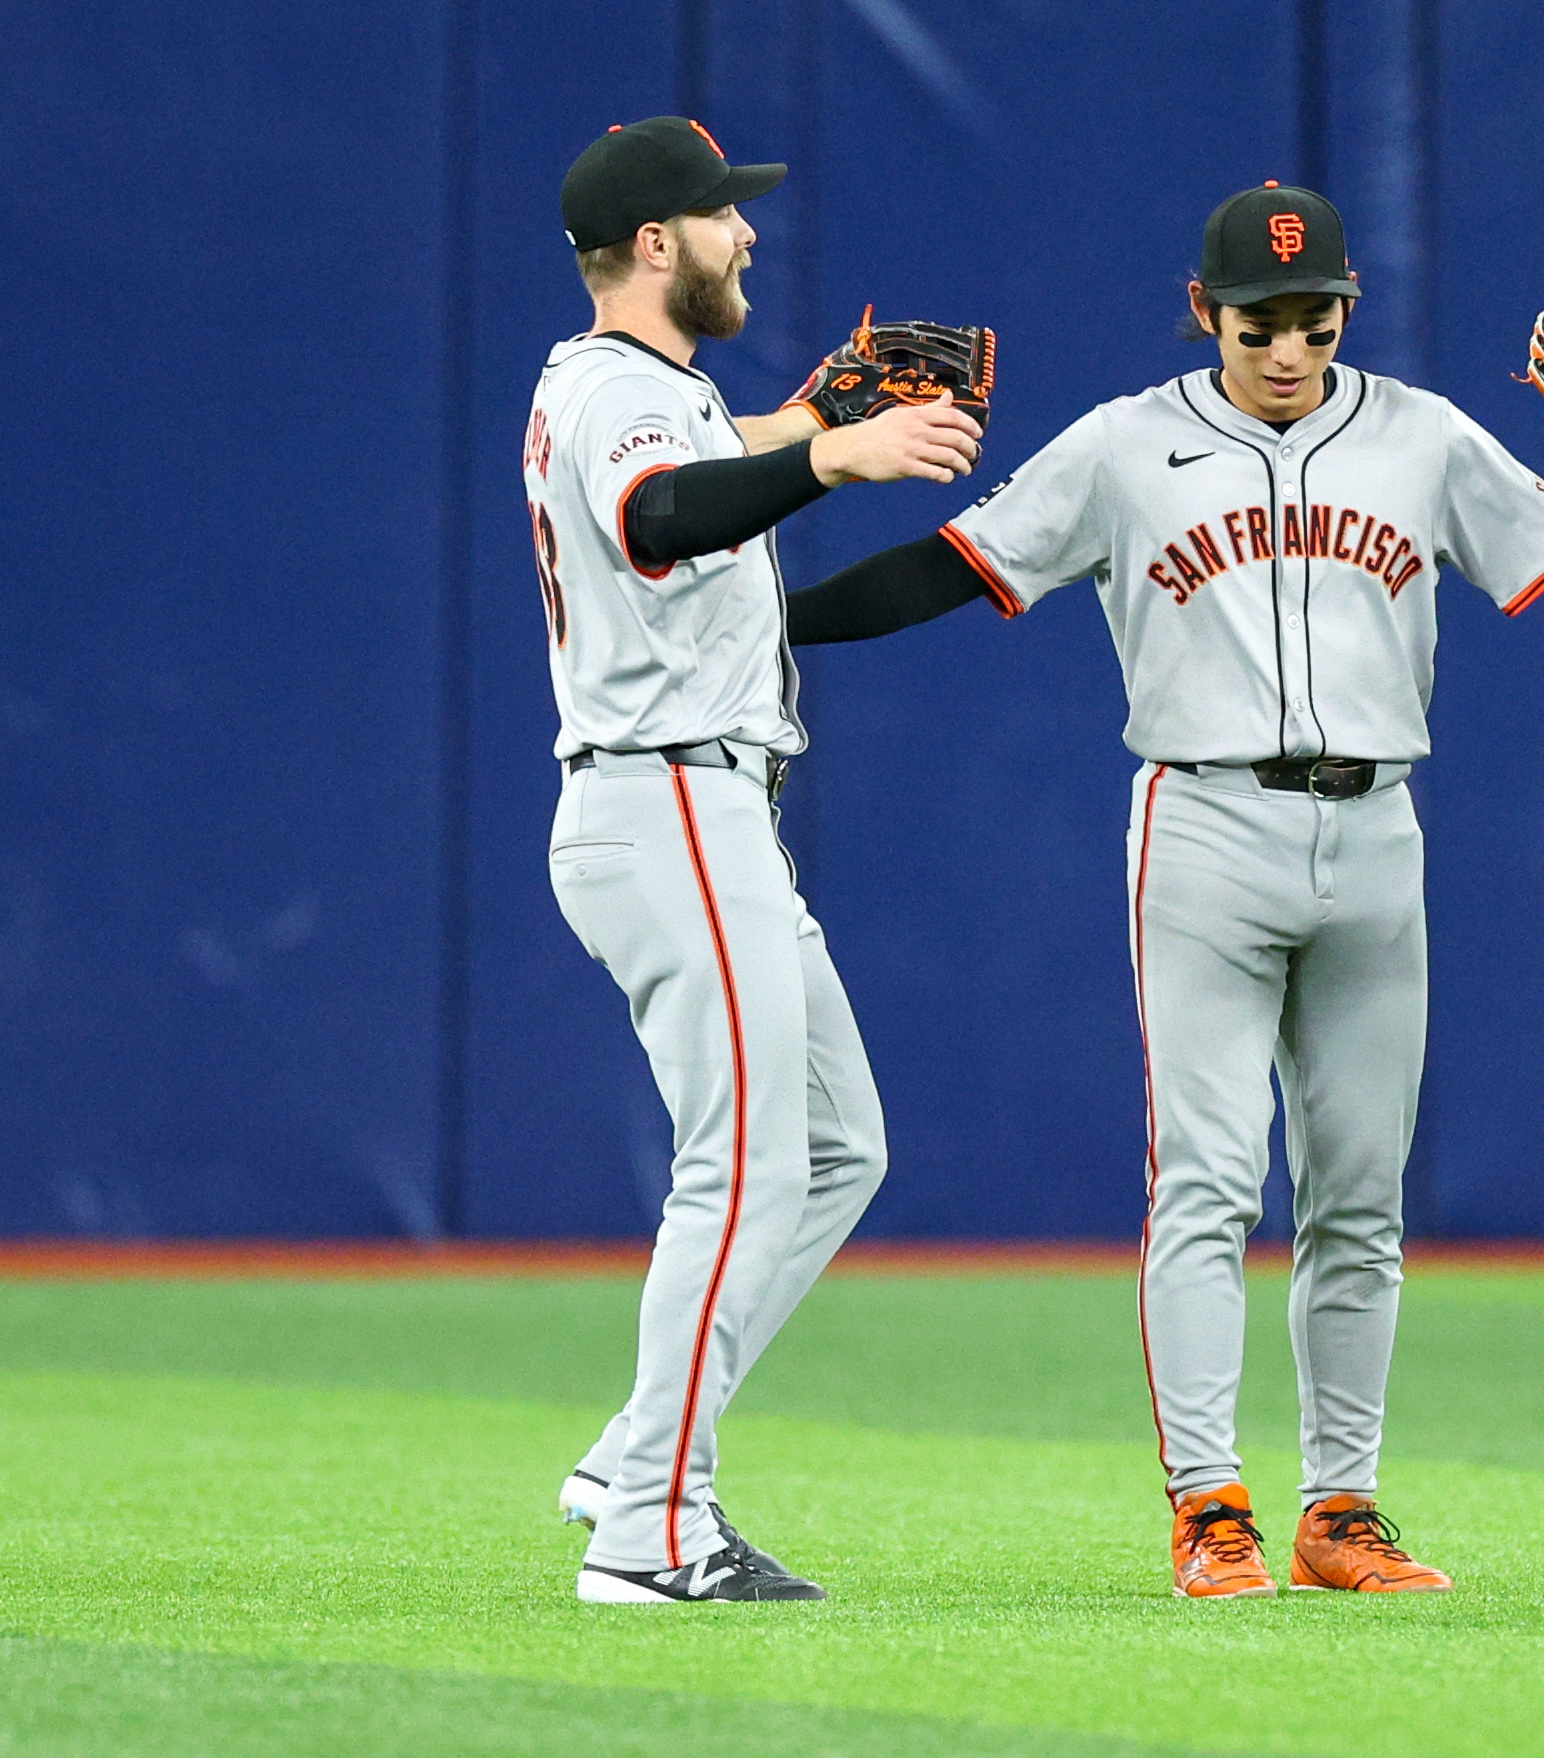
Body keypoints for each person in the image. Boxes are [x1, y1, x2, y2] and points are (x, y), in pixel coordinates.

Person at [779, 183, 1544, 1598]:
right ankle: (1207, 1503)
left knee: (1360, 1193)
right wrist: (775, 618)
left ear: (1346, 311)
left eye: (1314, 320)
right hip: (1204, 826)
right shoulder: (1127, 443)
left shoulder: (1420, 435)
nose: (1288, 348)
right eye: (1259, 324)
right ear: (1204, 312)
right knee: (1207, 1183)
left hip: (1376, 831)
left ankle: (1339, 1511)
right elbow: (956, 562)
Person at [521, 115, 983, 1604]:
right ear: (655, 242)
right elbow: (661, 516)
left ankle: (632, 1450)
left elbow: (703, 469)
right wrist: (837, 454)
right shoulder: (610, 388)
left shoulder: (658, 392)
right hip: (664, 806)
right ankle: (656, 1525)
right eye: (724, 218)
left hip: (704, 810)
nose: (750, 236)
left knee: (840, 1146)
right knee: (735, 1166)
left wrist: (792, 422)